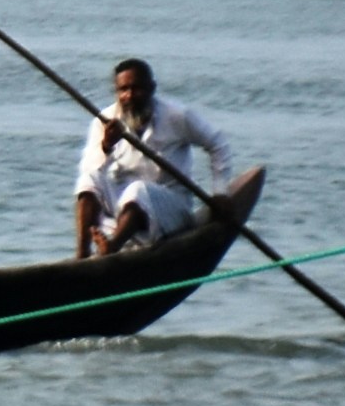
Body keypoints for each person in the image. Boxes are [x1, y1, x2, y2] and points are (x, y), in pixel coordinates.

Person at [74, 56, 232, 256]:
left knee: (140, 190)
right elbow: (91, 169)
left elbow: (218, 143)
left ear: (152, 89)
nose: (130, 96)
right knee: (88, 180)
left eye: (136, 88)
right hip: (123, 210)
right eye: (123, 90)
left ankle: (111, 249)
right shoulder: (105, 121)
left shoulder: (177, 116)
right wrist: (106, 146)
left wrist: (220, 191)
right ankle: (82, 255)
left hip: (170, 207)